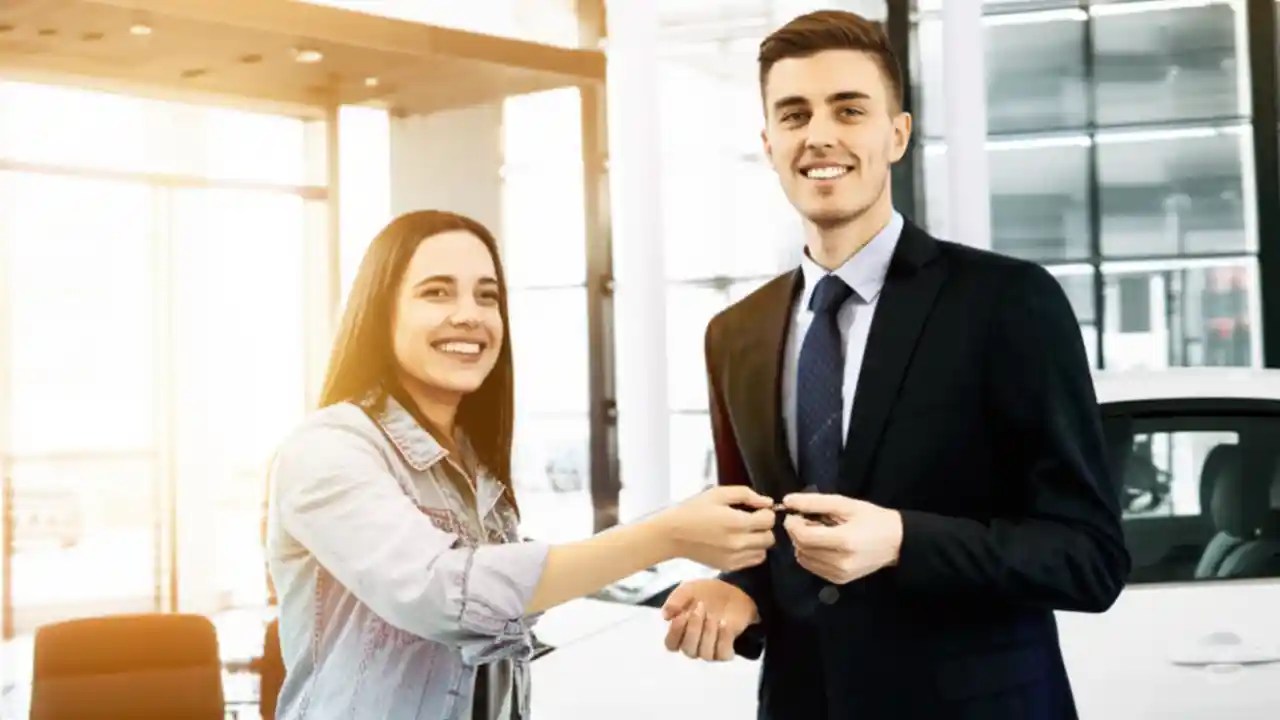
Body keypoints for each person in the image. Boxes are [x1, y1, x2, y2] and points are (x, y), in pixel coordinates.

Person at [659, 10, 1130, 720]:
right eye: (794, 115)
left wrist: (904, 541)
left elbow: (1087, 557)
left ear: (896, 134)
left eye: (849, 109)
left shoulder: (1007, 303)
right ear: (769, 142)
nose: (820, 135)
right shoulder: (735, 334)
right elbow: (762, 539)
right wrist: (741, 593)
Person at [265, 210, 777, 720]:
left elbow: (510, 598)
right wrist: (667, 535)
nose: (470, 315)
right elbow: (447, 595)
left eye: (486, 295)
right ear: (381, 312)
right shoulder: (328, 448)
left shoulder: (470, 462)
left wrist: (697, 577)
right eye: (436, 292)